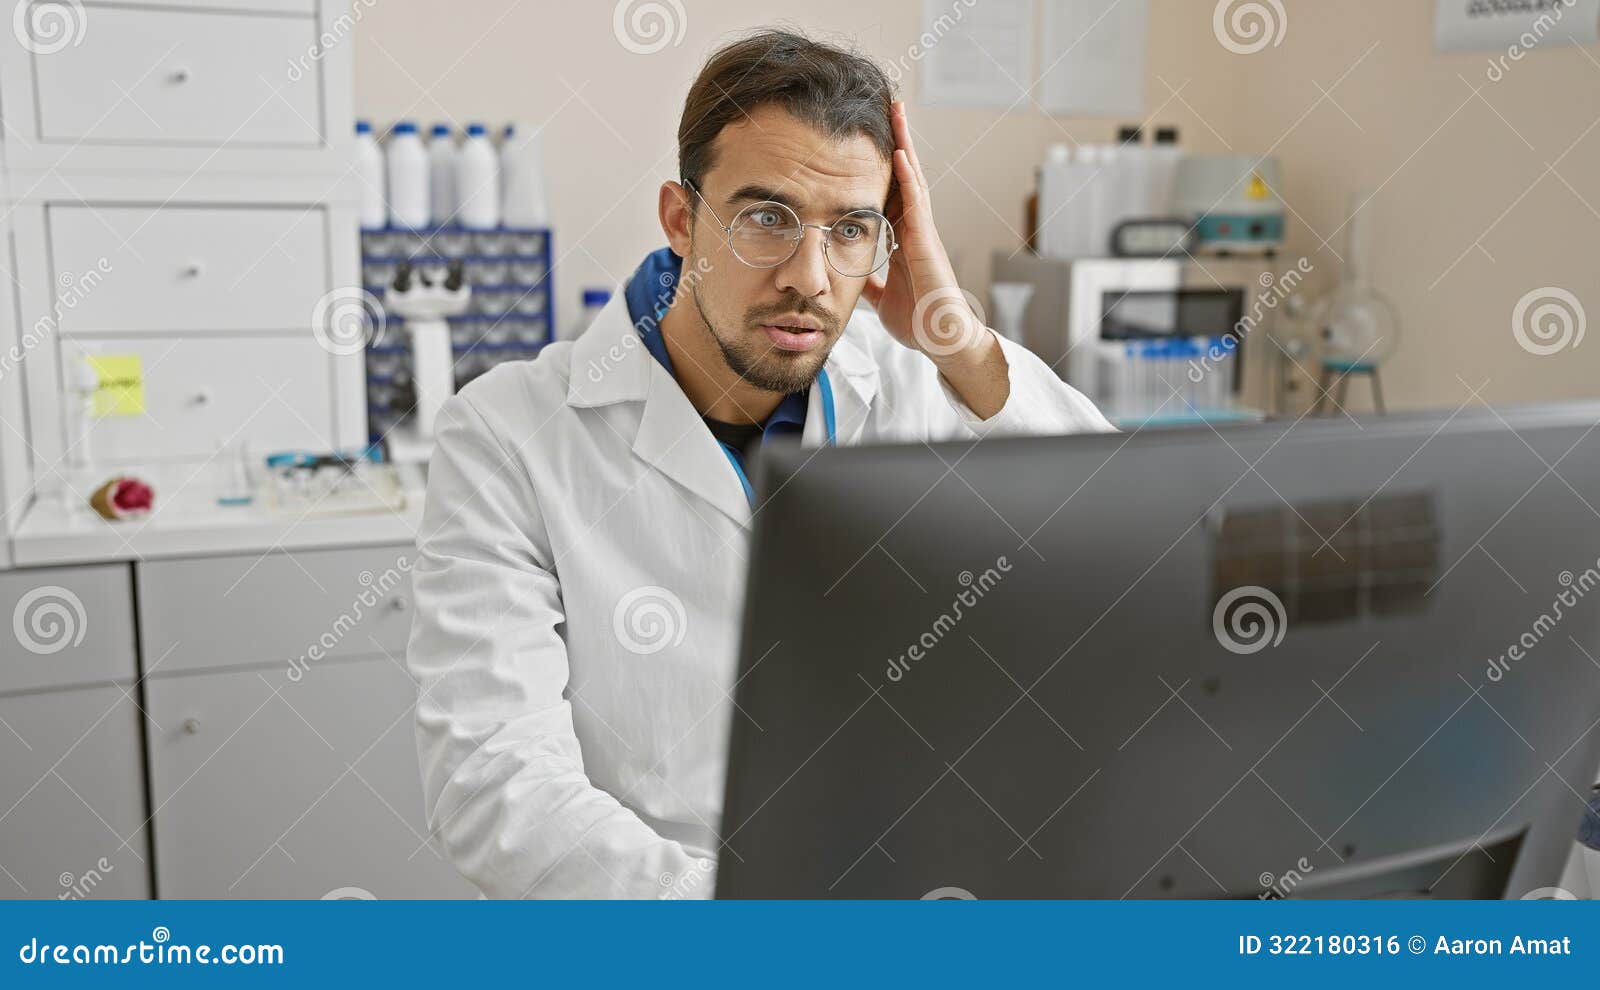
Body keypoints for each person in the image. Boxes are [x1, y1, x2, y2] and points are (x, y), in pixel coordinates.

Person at [406, 27, 1112, 899]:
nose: (809, 277)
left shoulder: (916, 388)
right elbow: (492, 781)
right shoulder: (509, 433)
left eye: (851, 229)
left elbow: (1115, 545)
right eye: (766, 219)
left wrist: (956, 336)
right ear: (679, 219)